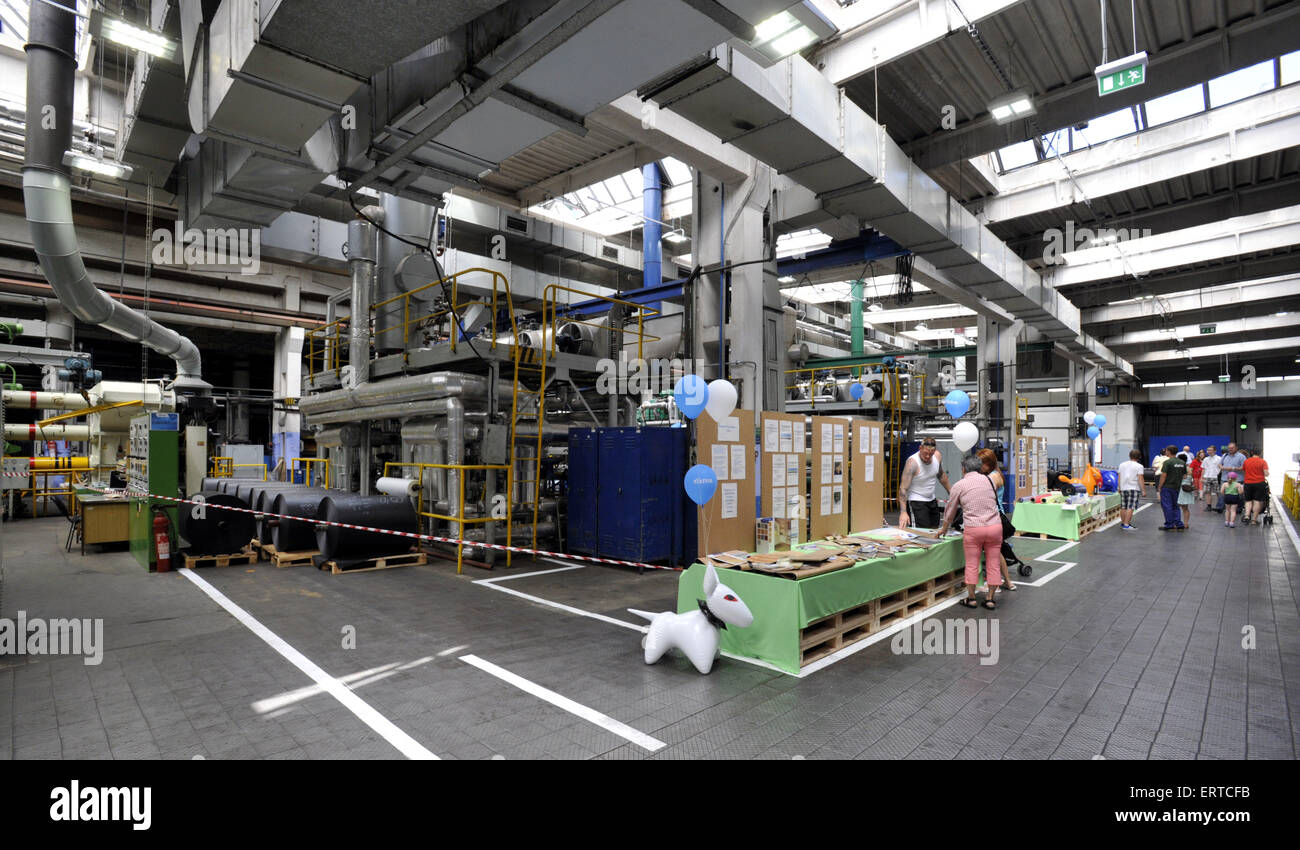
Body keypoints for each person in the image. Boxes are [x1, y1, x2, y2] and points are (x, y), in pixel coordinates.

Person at [933, 454, 1003, 609]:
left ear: (963, 469)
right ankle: (990, 599)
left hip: (974, 529)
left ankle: (971, 598)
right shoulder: (990, 481)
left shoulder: (959, 485)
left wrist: (944, 528)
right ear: (979, 468)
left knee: (971, 564)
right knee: (993, 563)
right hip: (995, 527)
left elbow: (950, 510)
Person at [976, 447, 1016, 592]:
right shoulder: (995, 474)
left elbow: (981, 492)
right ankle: (1008, 582)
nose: (980, 467)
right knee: (996, 551)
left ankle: (995, 584)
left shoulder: (993, 477)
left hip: (993, 517)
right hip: (996, 516)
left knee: (992, 552)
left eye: (982, 463)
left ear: (989, 463)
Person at [898, 437, 951, 530]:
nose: (928, 456)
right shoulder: (912, 463)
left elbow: (941, 475)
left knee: (934, 529)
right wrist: (903, 512)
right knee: (921, 532)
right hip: (916, 501)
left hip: (931, 499)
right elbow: (903, 488)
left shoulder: (937, 456)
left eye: (931, 454)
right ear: (920, 448)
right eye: (925, 453)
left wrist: (951, 491)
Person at [1156, 445, 1188, 531]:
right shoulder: (1182, 462)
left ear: (1169, 452)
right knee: (1176, 506)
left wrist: (1159, 486)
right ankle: (1179, 525)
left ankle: (1169, 525)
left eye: (1166, 450)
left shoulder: (1167, 462)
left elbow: (1163, 475)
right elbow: (1185, 476)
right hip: (1177, 487)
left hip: (1167, 487)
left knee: (1167, 506)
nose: (1165, 452)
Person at [1118, 449, 1146, 530]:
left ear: (1129, 455)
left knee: (1123, 506)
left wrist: (1119, 487)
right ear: (1139, 457)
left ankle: (1123, 523)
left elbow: (1119, 477)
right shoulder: (1139, 466)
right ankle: (1126, 525)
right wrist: (1143, 490)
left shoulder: (1122, 464)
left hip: (1123, 488)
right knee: (1131, 507)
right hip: (1133, 488)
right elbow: (1141, 479)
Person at [1241, 448, 1270, 525]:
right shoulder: (1263, 461)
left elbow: (1244, 470)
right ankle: (1254, 520)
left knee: (1248, 501)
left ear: (1251, 453)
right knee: (1257, 501)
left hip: (1248, 483)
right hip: (1259, 483)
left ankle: (1247, 515)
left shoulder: (1246, 461)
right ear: (1260, 453)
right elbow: (1266, 473)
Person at [1219, 443, 1247, 511]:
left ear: (1236, 448)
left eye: (1232, 448)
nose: (1230, 449)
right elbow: (1219, 464)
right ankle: (1220, 507)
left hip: (1238, 479)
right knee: (1222, 492)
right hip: (1225, 477)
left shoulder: (1241, 456)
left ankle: (1239, 507)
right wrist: (1221, 467)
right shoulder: (1225, 455)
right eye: (1229, 448)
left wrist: (1233, 469)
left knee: (1239, 493)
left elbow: (1244, 467)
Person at [1176, 452, 1195, 528]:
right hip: (1187, 488)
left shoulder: (1180, 468)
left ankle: (1176, 522)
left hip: (1180, 489)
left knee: (1176, 507)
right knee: (1185, 508)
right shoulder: (1190, 469)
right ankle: (1186, 523)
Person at [1201, 445, 1222, 512]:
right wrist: (1202, 477)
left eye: (1210, 450)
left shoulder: (1219, 458)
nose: (1209, 451)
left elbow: (1221, 468)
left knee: (1218, 492)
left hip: (1216, 477)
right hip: (1207, 476)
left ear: (1214, 451)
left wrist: (1219, 475)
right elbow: (1203, 468)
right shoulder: (1205, 459)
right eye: (1208, 450)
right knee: (1207, 492)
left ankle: (1220, 505)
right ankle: (1209, 506)